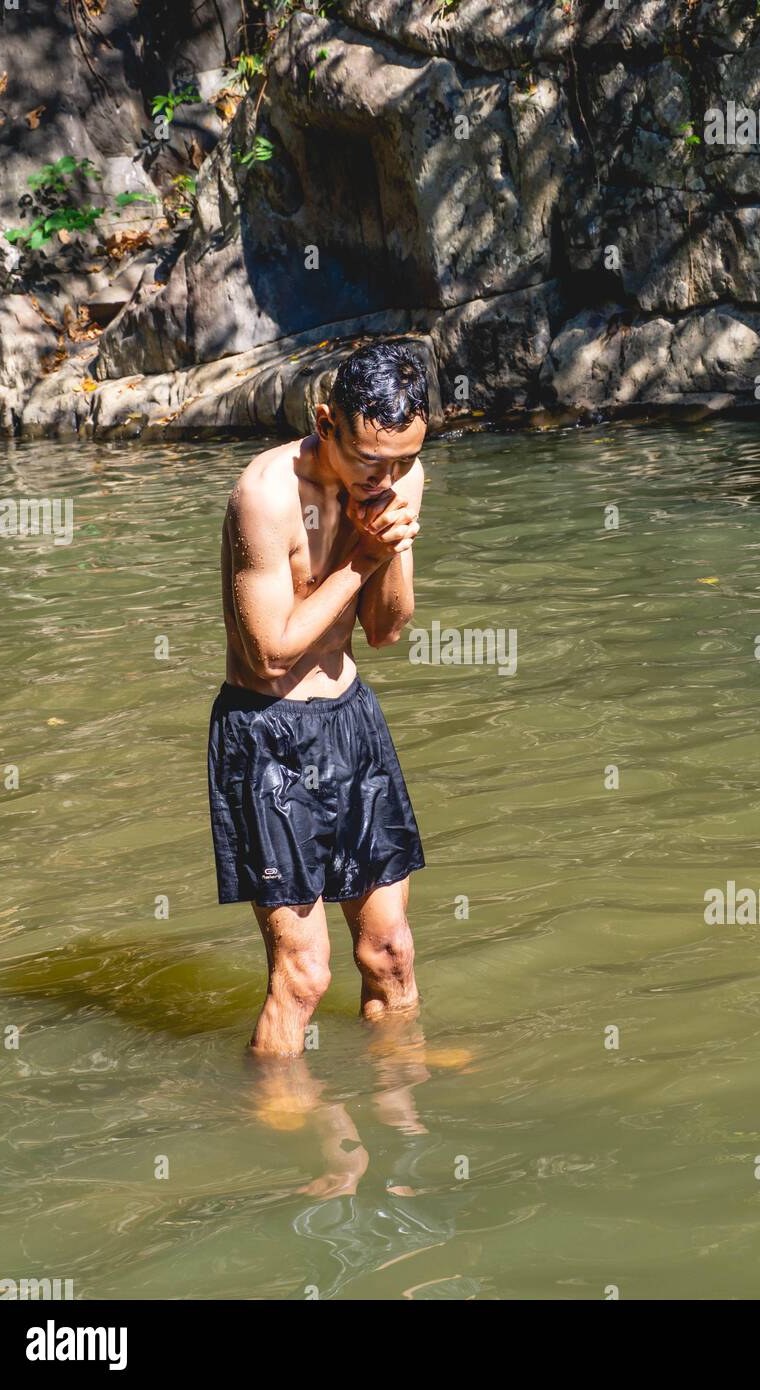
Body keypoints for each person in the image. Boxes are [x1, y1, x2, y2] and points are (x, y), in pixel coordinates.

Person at [207, 341, 428, 1056]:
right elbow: (270, 649)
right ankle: (282, 1130)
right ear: (326, 420)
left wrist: (387, 551)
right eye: (370, 462)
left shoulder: (399, 476)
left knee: (390, 953)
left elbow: (385, 632)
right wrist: (363, 556)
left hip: (350, 721)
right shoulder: (265, 496)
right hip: (267, 733)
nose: (385, 479)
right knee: (303, 976)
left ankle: (400, 1100)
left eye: (401, 461)